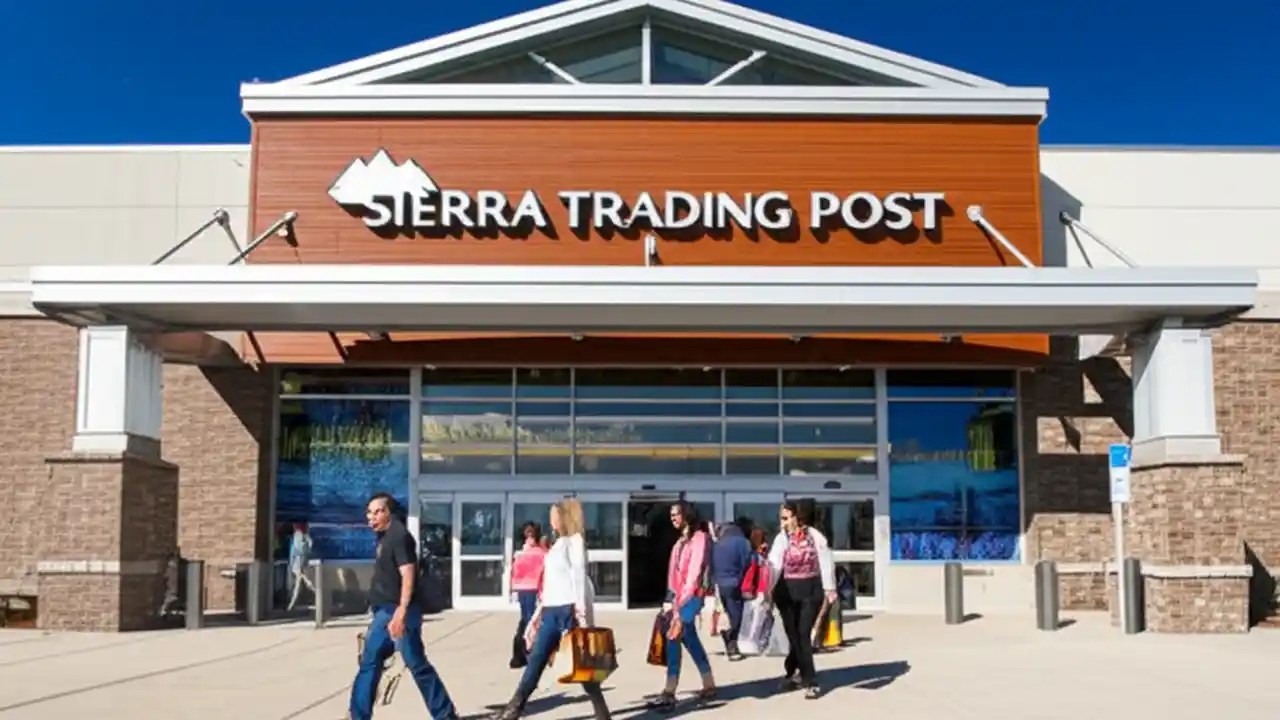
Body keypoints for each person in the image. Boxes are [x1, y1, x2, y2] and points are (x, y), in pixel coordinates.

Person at [490, 498, 611, 720]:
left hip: (568, 612)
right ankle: (514, 708)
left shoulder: (574, 541)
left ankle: (602, 714)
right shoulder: (557, 543)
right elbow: (551, 583)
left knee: (582, 668)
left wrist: (582, 616)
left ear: (564, 517)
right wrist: (539, 612)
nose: (550, 519)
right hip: (551, 611)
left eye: (554, 515)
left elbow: (579, 578)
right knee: (536, 660)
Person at [349, 492, 459, 720]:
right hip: (384, 612)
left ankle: (445, 714)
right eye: (370, 512)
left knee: (417, 664)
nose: (372, 517)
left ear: (390, 512)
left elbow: (408, 574)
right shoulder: (385, 536)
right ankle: (358, 715)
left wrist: (402, 611)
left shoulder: (398, 536)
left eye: (378, 511)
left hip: (398, 612)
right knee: (370, 662)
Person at [647, 501, 716, 711]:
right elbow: (673, 576)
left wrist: (680, 604)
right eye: (671, 515)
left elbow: (694, 574)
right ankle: (708, 683)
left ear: (687, 514)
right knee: (689, 638)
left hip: (693, 595)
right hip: (678, 598)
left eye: (676, 514)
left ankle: (669, 690)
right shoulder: (679, 543)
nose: (673, 518)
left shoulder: (700, 538)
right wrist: (670, 601)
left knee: (673, 636)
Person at [767, 500, 837, 700]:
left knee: (803, 635)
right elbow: (774, 565)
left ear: (797, 518)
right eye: (781, 518)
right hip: (786, 593)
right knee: (794, 637)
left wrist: (829, 588)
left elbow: (826, 562)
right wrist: (766, 593)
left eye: (786, 518)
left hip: (810, 591)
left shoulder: (815, 537)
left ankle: (810, 681)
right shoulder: (782, 539)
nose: (783, 522)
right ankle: (791, 672)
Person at [710, 520, 752, 661]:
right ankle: (732, 646)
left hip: (719, 584)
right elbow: (747, 563)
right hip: (735, 583)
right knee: (736, 615)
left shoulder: (717, 544)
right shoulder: (743, 543)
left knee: (724, 613)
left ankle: (729, 644)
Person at [509, 521, 548, 668]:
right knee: (530, 622)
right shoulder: (535, 552)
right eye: (527, 531)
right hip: (529, 589)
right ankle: (527, 653)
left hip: (526, 589)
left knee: (527, 620)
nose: (529, 534)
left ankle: (521, 654)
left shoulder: (522, 553)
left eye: (531, 531)